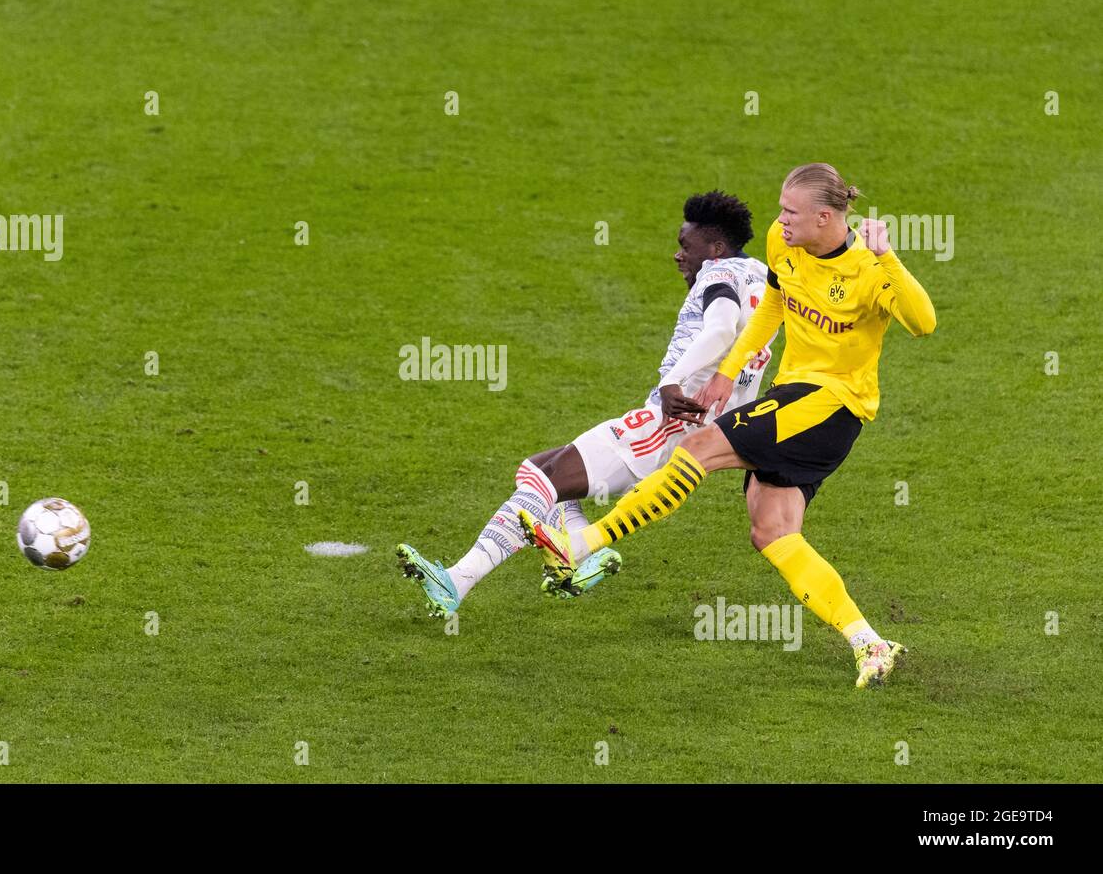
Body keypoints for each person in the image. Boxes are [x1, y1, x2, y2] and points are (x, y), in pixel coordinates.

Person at [522, 163, 936, 688]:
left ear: (825, 218)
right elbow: (775, 308)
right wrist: (725, 373)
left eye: (791, 212)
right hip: (795, 397)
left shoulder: (868, 270)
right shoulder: (784, 245)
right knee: (772, 531)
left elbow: (924, 323)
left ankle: (586, 543)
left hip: (830, 404)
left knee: (698, 447)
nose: (779, 220)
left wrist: (887, 255)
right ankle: (870, 644)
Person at [397, 191, 774, 617]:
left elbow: (721, 328)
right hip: (712, 425)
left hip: (673, 421)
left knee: (550, 478)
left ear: (716, 248)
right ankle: (577, 556)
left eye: (686, 245)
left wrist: (671, 381)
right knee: (539, 469)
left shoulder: (716, 275)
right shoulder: (762, 275)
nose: (677, 255)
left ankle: (457, 581)